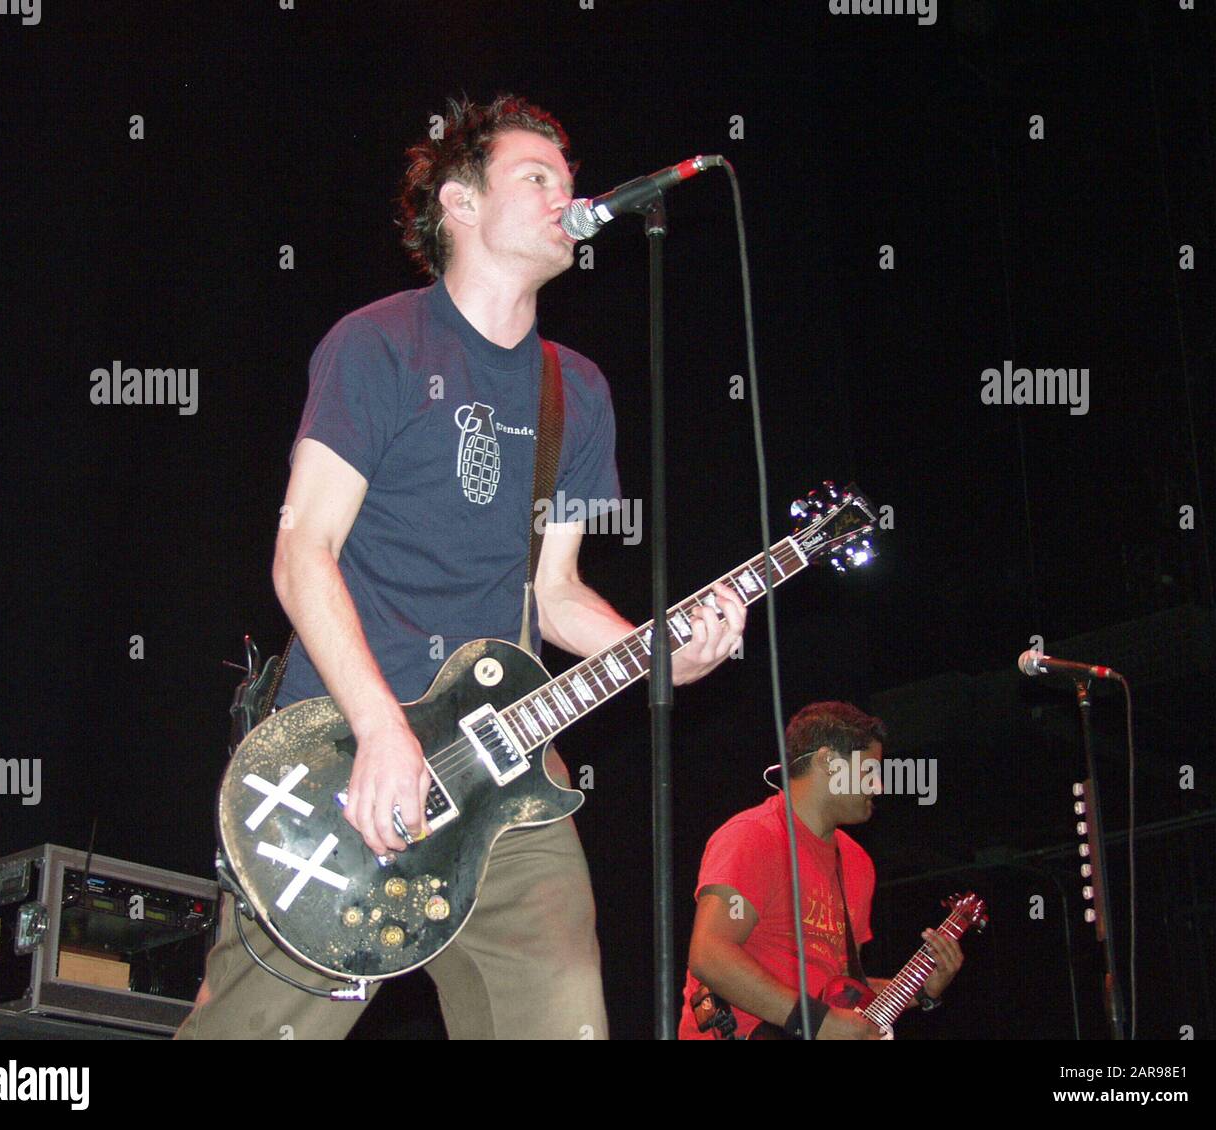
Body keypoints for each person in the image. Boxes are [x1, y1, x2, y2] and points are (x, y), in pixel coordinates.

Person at [177, 94, 746, 1040]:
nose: (570, 195)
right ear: (461, 203)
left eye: (571, 180)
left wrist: (663, 655)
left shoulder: (580, 391)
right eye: (539, 178)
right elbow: (301, 551)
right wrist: (381, 730)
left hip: (508, 783)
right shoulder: (378, 344)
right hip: (346, 764)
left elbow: (555, 595)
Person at [679, 701, 962, 1039]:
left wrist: (920, 991)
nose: (879, 787)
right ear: (828, 761)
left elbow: (844, 990)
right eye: (869, 771)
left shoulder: (858, 863)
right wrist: (815, 1021)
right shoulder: (753, 836)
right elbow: (709, 955)